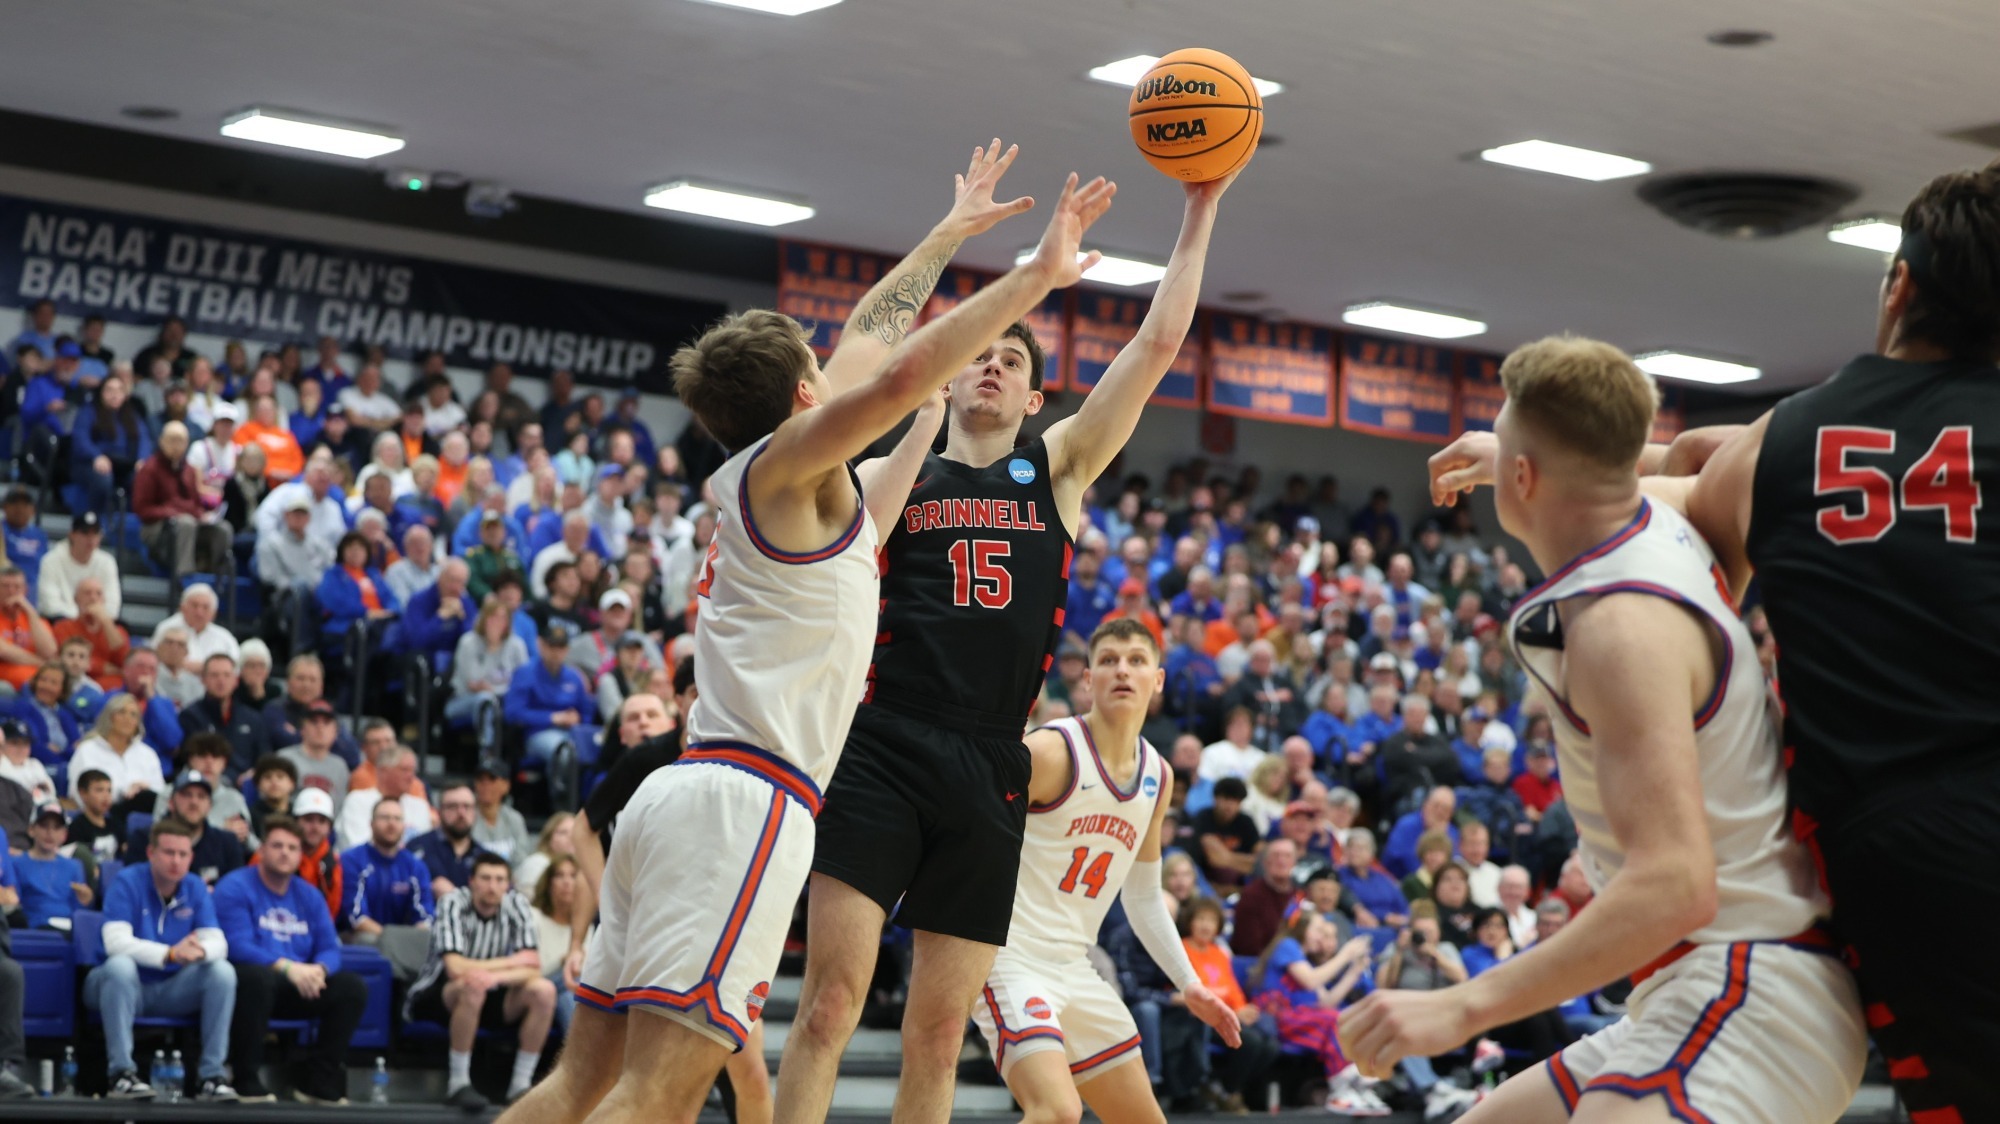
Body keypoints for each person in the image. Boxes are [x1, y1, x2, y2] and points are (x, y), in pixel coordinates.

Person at [515, 149, 1112, 1124]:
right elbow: (904, 364)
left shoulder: (786, 476)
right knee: (657, 1096)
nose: (834, 368)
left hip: (688, 787)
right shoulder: (792, 463)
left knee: (580, 1084)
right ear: (803, 394)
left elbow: (877, 336)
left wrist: (948, 232)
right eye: (815, 365)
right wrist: (1033, 278)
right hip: (742, 800)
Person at [1343, 337, 1867, 1122]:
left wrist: (1461, 1006)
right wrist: (1522, 451)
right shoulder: (1675, 520)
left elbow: (1675, 885)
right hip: (1709, 982)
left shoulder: (1620, 626)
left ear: (1523, 479)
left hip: (1751, 988)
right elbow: (1703, 451)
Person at [970, 620, 1240, 1123]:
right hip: (1008, 956)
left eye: (1136, 660)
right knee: (1057, 1111)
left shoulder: (1158, 775)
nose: (1123, 670)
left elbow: (1142, 898)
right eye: (1109, 660)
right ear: (1088, 679)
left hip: (1076, 965)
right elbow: (967, 828)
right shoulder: (1051, 751)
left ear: (1157, 680)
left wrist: (1188, 983)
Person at [213, 814, 368, 1104]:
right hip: (248, 986)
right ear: (261, 850)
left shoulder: (309, 895)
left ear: (300, 855)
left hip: (299, 984)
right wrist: (288, 967)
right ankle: (245, 1078)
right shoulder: (234, 886)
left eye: (292, 848)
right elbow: (236, 945)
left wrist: (319, 970)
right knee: (256, 979)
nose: (285, 853)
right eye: (277, 846)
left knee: (351, 987)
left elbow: (330, 947)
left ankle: (318, 1083)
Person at [89, 818, 240, 1101]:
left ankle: (211, 1076)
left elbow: (219, 943)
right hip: (120, 987)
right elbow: (115, 942)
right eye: (169, 852)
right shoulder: (127, 880)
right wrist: (170, 953)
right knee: (120, 965)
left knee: (222, 972)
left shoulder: (194, 887)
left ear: (191, 858)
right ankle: (121, 1074)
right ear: (151, 853)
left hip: (172, 989)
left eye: (183, 854)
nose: (176, 861)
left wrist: (199, 952)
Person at [407, 852, 554, 1110]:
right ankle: (458, 1083)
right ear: (472, 881)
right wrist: (512, 962)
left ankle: (520, 1085)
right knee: (472, 986)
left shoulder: (516, 903)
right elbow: (455, 968)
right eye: (486, 878)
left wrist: (495, 976)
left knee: (545, 990)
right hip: (439, 993)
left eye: (500, 880)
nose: (492, 886)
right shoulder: (453, 902)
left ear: (508, 884)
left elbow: (533, 967)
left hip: (491, 990)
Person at [1250, 909, 1387, 1114]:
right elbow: (1311, 980)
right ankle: (1340, 1090)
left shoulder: (1304, 960)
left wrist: (1354, 971)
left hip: (1296, 1019)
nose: (1321, 937)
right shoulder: (1287, 945)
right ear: (1302, 929)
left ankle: (1357, 1087)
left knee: (1345, 1017)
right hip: (1275, 1020)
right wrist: (1345, 955)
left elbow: (1326, 1002)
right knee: (1335, 1019)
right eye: (1318, 930)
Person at [502, 622, 596, 811]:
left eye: (561, 647)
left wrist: (577, 719)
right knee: (563, 751)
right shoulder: (526, 672)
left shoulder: (574, 677)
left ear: (567, 650)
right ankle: (562, 805)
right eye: (551, 646)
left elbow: (586, 713)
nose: (556, 652)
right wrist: (552, 718)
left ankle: (589, 804)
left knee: (594, 750)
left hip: (572, 732)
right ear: (541, 645)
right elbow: (512, 712)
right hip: (537, 734)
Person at [133, 421, 233, 579]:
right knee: (185, 523)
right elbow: (142, 509)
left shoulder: (189, 470)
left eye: (181, 441)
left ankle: (216, 579)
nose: (176, 445)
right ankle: (184, 578)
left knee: (223, 529)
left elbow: (196, 504)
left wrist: (203, 515)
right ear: (161, 441)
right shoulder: (150, 469)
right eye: (172, 440)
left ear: (187, 444)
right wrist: (171, 512)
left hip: (188, 522)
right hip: (156, 528)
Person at [340, 797, 437, 937]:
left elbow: (425, 917)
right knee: (366, 938)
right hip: (360, 941)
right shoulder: (352, 860)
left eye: (397, 819)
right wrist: (392, 940)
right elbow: (355, 916)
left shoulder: (416, 866)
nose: (391, 824)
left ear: (404, 826)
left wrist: (411, 940)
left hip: (405, 942)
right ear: (371, 823)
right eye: (385, 817)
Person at [177, 654, 270, 779]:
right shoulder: (190, 716)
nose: (221, 681)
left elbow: (264, 759)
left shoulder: (253, 719)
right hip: (205, 782)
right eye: (214, 675)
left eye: (227, 675)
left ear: (236, 681)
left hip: (246, 784)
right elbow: (189, 758)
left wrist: (252, 776)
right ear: (203, 679)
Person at [450, 600, 528, 747]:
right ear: (484, 619)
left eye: (503, 618)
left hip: (505, 700)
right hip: (464, 699)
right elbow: (474, 683)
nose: (498, 623)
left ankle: (517, 756)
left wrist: (498, 691)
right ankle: (488, 751)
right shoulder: (468, 642)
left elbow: (524, 680)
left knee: (520, 707)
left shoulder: (517, 645)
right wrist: (491, 648)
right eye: (493, 617)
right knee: (486, 700)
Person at [67, 692, 165, 805]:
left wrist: (144, 789)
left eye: (133, 714)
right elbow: (78, 792)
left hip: (143, 809)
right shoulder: (87, 750)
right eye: (122, 712)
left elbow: (161, 792)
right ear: (110, 717)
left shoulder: (148, 754)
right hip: (101, 812)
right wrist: (124, 792)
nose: (127, 718)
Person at [335, 743, 432, 849]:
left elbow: (424, 850)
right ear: (383, 771)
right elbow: (356, 845)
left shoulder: (420, 806)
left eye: (413, 771)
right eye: (404, 770)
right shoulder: (357, 801)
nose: (411, 776)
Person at [15, 800, 91, 927]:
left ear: (64, 834)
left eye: (56, 827)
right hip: (33, 928)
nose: (50, 833)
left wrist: (84, 901)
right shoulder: (17, 863)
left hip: (68, 928)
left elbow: (78, 909)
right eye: (44, 826)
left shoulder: (74, 866)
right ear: (31, 829)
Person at [409, 781, 489, 898]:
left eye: (467, 806)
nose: (461, 813)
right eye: (453, 806)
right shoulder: (417, 848)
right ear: (439, 811)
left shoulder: (484, 857)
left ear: (475, 812)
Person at [37, 511, 121, 620]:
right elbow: (50, 606)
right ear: (72, 534)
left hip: (97, 622)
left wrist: (89, 616)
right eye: (85, 533)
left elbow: (112, 608)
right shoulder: (51, 560)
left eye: (95, 533)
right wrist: (84, 617)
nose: (90, 539)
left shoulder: (107, 562)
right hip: (60, 622)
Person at [52, 576, 129, 692]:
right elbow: (66, 657)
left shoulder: (118, 630)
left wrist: (106, 621)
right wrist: (103, 667)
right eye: (87, 593)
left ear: (104, 600)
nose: (93, 598)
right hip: (72, 680)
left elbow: (125, 661)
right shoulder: (63, 627)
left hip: (108, 684)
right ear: (76, 599)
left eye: (98, 594)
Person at [1187, 775, 1259, 892]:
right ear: (1215, 798)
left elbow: (1259, 860)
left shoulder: (1246, 821)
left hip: (1239, 884)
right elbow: (1215, 860)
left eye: (1235, 801)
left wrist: (1226, 857)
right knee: (1225, 873)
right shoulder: (1203, 817)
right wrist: (1245, 862)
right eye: (1226, 799)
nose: (1230, 806)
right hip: (1207, 879)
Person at [152, 584, 239, 676]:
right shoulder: (167, 628)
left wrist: (203, 667)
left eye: (205, 607)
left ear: (214, 613)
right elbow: (155, 660)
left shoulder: (224, 637)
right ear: (182, 608)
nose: (199, 612)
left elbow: (235, 669)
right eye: (194, 605)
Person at [278, 700, 351, 809]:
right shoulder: (284, 759)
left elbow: (339, 807)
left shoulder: (340, 766)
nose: (320, 728)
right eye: (314, 722)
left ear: (335, 732)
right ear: (302, 729)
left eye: (326, 723)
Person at [287, 788, 343, 924]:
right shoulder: (272, 853)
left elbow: (331, 913)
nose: (315, 827)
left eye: (322, 821)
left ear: (330, 828)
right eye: (308, 820)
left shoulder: (333, 863)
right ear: (295, 822)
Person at [0, 565, 55, 695]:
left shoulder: (34, 619)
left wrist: (30, 612)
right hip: (8, 684)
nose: (11, 591)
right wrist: (41, 663)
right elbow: (4, 651)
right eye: (5, 586)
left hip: (41, 682)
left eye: (17, 587)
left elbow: (49, 652)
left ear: (25, 590)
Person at [471, 756, 533, 864]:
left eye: (492, 779)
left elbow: (522, 859)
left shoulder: (514, 819)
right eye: (481, 779)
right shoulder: (467, 817)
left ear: (506, 785)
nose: (485, 784)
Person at [513, 812, 573, 898]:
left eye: (575, 832)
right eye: (563, 832)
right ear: (549, 838)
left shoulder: (583, 867)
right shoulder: (536, 863)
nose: (571, 837)